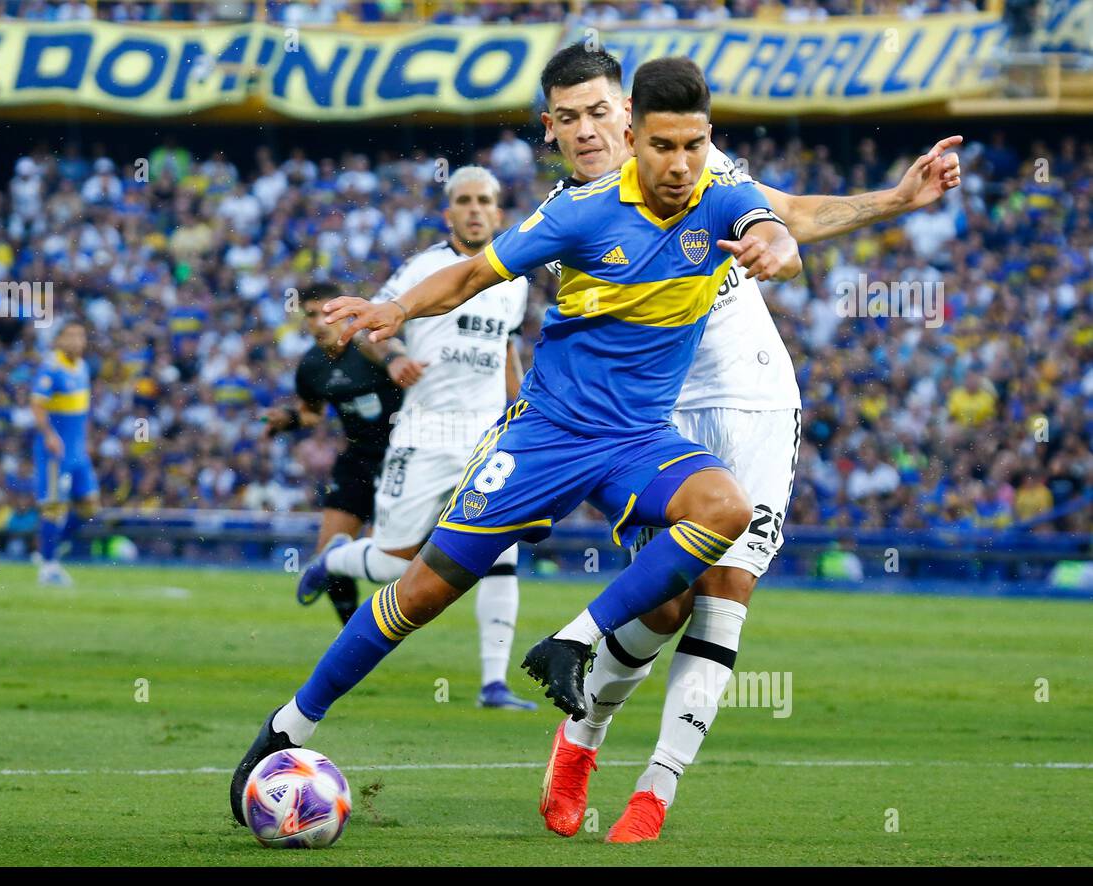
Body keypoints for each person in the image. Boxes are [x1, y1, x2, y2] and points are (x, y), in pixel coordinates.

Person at [230, 56, 802, 828]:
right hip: (548, 433)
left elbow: (774, 229)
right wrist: (394, 311)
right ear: (637, 138)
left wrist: (778, 247)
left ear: (707, 140)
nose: (679, 164)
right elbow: (474, 275)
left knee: (723, 509)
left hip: (639, 440)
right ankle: (290, 724)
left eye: (693, 146)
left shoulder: (724, 197)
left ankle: (573, 640)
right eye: (664, 147)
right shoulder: (581, 212)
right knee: (423, 590)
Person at [532, 43, 962, 843]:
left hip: (755, 398)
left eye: (603, 111)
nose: (592, 130)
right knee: (663, 601)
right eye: (572, 117)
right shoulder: (568, 219)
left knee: (726, 593)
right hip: (657, 417)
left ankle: (654, 794)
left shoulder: (695, 159)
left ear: (627, 112)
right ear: (552, 127)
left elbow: (786, 217)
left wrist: (898, 200)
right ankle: (580, 741)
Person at [297, 166, 536, 710]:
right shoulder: (422, 268)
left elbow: (505, 348)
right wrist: (399, 354)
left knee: (503, 551)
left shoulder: (515, 280)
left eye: (485, 201)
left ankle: (494, 684)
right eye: (465, 201)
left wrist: (519, 409)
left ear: (498, 213)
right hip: (425, 434)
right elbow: (369, 329)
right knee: (395, 562)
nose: (475, 209)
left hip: (486, 436)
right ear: (449, 213)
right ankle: (333, 560)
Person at [260, 282, 403, 624]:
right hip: (357, 460)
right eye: (311, 315)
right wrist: (289, 420)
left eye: (327, 313)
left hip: (402, 460)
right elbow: (312, 412)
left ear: (346, 313)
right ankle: (352, 636)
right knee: (328, 551)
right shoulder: (311, 367)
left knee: (388, 562)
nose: (319, 322)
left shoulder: (375, 348)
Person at [30, 321, 98, 587]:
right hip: (55, 451)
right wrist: (48, 434)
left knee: (90, 506)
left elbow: (82, 412)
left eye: (80, 335)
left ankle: (51, 548)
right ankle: (48, 568)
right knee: (53, 507)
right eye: (71, 336)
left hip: (78, 451)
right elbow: (36, 404)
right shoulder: (52, 367)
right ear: (59, 340)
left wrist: (85, 439)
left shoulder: (82, 367)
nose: (77, 341)